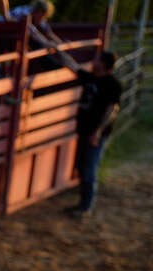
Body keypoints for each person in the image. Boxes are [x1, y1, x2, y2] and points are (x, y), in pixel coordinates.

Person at [37, 44, 121, 216]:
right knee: (83, 167)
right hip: (84, 131)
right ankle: (83, 204)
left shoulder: (112, 84)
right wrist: (57, 49)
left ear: (103, 64)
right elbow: (72, 65)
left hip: (94, 134)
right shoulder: (91, 78)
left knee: (89, 168)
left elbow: (111, 110)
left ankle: (85, 207)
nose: (93, 61)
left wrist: (97, 131)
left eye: (97, 59)